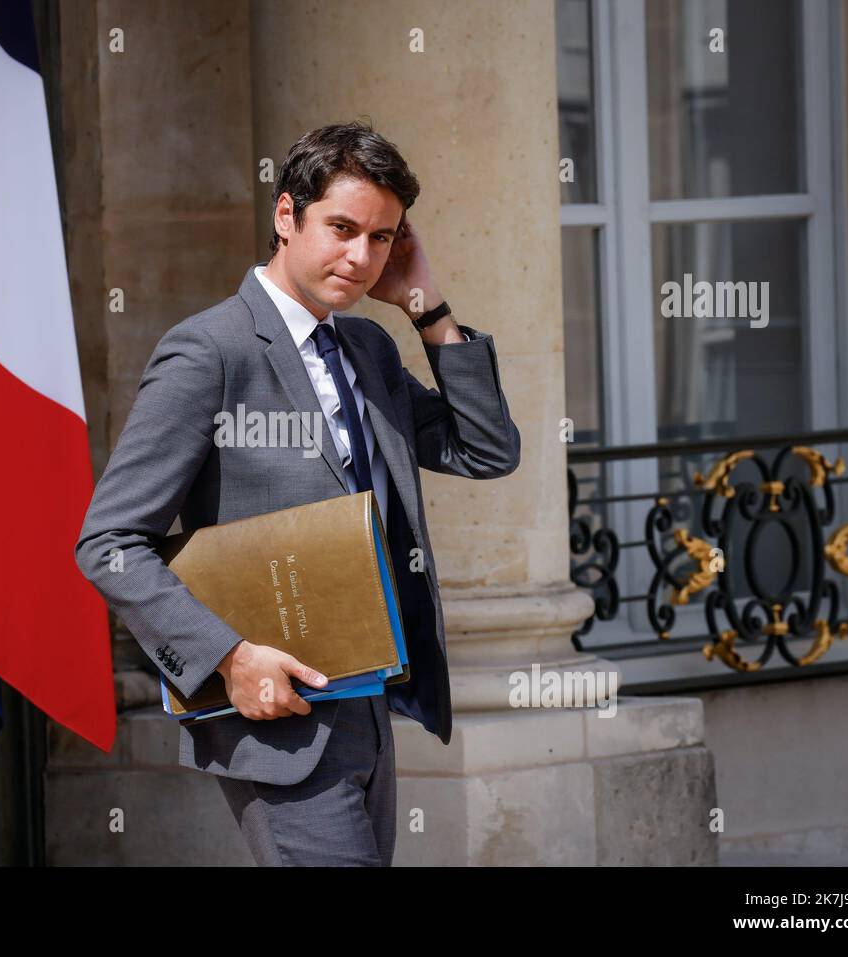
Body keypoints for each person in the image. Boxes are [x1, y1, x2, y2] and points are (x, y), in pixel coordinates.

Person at [75, 121, 521, 866]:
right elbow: (108, 543)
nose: (360, 256)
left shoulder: (368, 346)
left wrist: (426, 306)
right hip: (276, 719)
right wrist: (229, 657)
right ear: (286, 216)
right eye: (342, 228)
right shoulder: (208, 351)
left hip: (369, 704)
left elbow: (485, 448)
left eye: (381, 238)